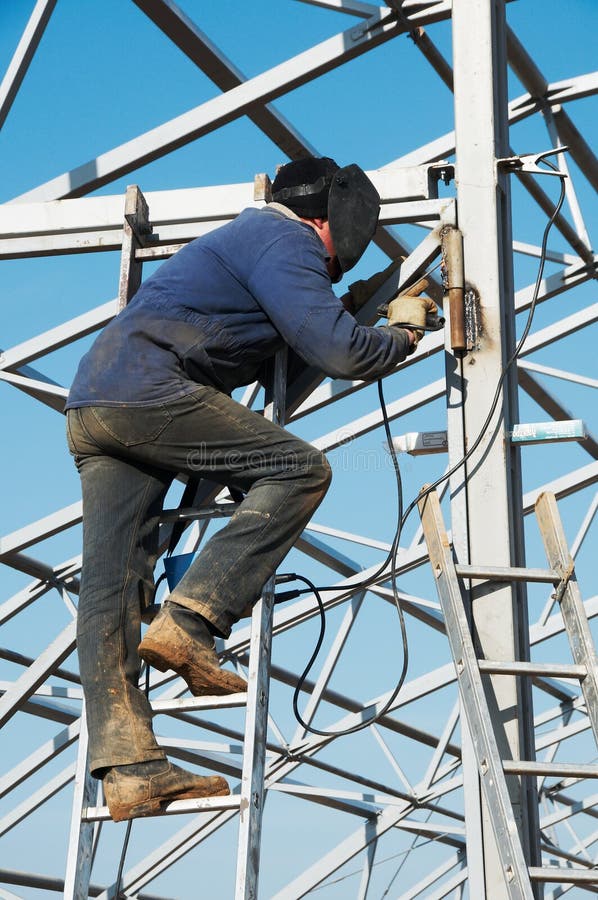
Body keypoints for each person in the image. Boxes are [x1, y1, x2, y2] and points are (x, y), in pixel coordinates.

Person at [65, 156, 436, 821]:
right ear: (334, 219)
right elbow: (343, 353)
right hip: (150, 392)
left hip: (95, 401)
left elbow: (291, 330)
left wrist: (341, 310)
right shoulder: (287, 238)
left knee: (110, 590)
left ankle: (129, 770)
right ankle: (191, 622)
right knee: (300, 469)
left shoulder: (246, 243)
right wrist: (401, 334)